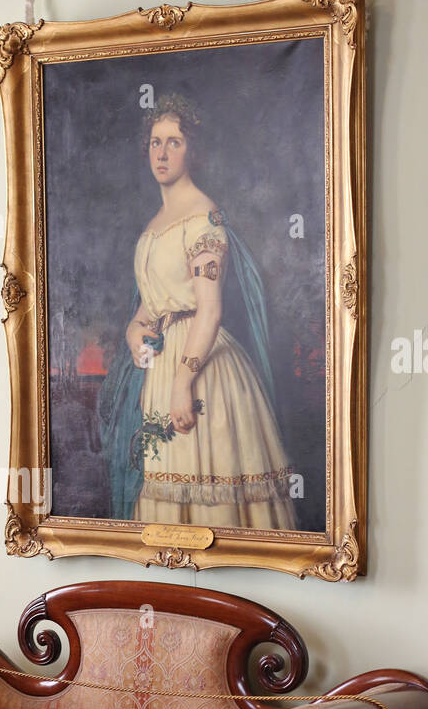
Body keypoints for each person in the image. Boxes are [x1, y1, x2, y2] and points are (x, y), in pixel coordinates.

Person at [98, 93, 296, 529]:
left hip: (203, 372)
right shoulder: (155, 224)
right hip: (160, 372)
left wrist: (182, 383)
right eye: (155, 142)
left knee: (214, 500)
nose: (162, 153)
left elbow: (209, 312)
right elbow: (152, 305)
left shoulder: (204, 218)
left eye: (174, 142)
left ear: (194, 150)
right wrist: (136, 330)